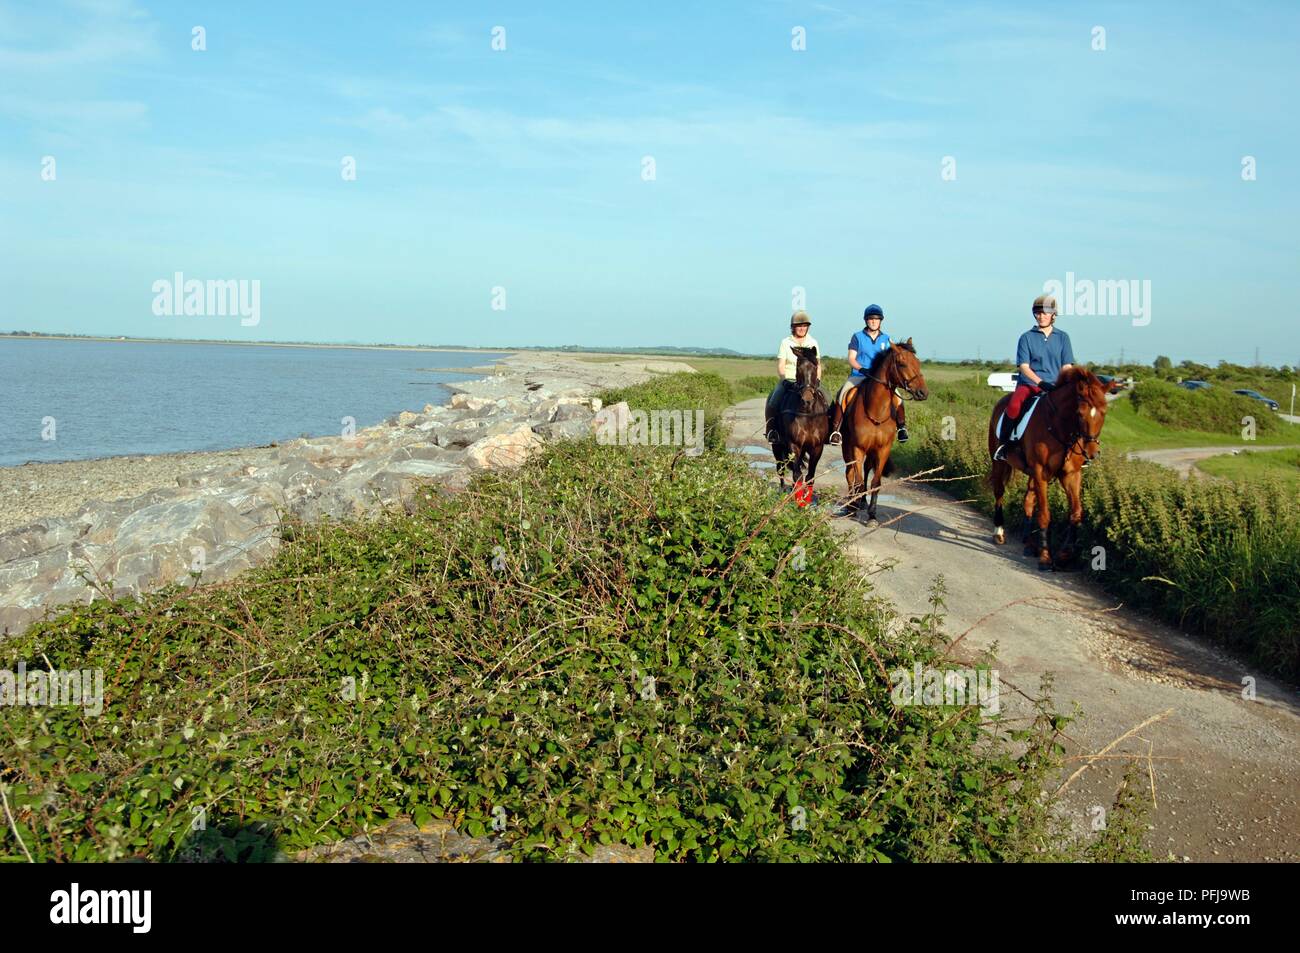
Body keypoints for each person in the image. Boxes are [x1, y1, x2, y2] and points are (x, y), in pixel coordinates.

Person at [993, 294, 1076, 461]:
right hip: (1030, 384)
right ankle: (1004, 445)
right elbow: (1024, 366)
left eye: (1045, 313)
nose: (1041, 316)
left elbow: (1067, 365)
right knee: (1014, 405)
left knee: (1077, 409)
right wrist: (1040, 382)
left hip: (1055, 385)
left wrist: (1064, 382)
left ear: (1053, 315)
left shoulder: (1063, 338)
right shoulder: (1026, 337)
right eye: (1038, 313)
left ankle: (1078, 450)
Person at [827, 303, 907, 446]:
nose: (873, 321)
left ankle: (901, 428)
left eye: (876, 319)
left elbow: (894, 359)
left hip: (881, 379)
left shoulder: (887, 339)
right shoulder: (857, 337)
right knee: (843, 394)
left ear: (881, 321)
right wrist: (861, 368)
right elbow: (851, 358)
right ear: (866, 320)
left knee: (898, 398)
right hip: (860, 374)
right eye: (870, 319)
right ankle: (836, 431)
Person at [765, 311, 822, 443]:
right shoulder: (786, 342)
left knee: (827, 398)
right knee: (774, 399)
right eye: (798, 326)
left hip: (810, 382)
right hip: (790, 379)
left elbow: (817, 365)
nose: (802, 328)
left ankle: (829, 430)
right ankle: (772, 430)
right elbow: (781, 364)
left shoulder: (813, 342)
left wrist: (817, 380)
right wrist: (784, 379)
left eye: (804, 325)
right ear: (793, 327)